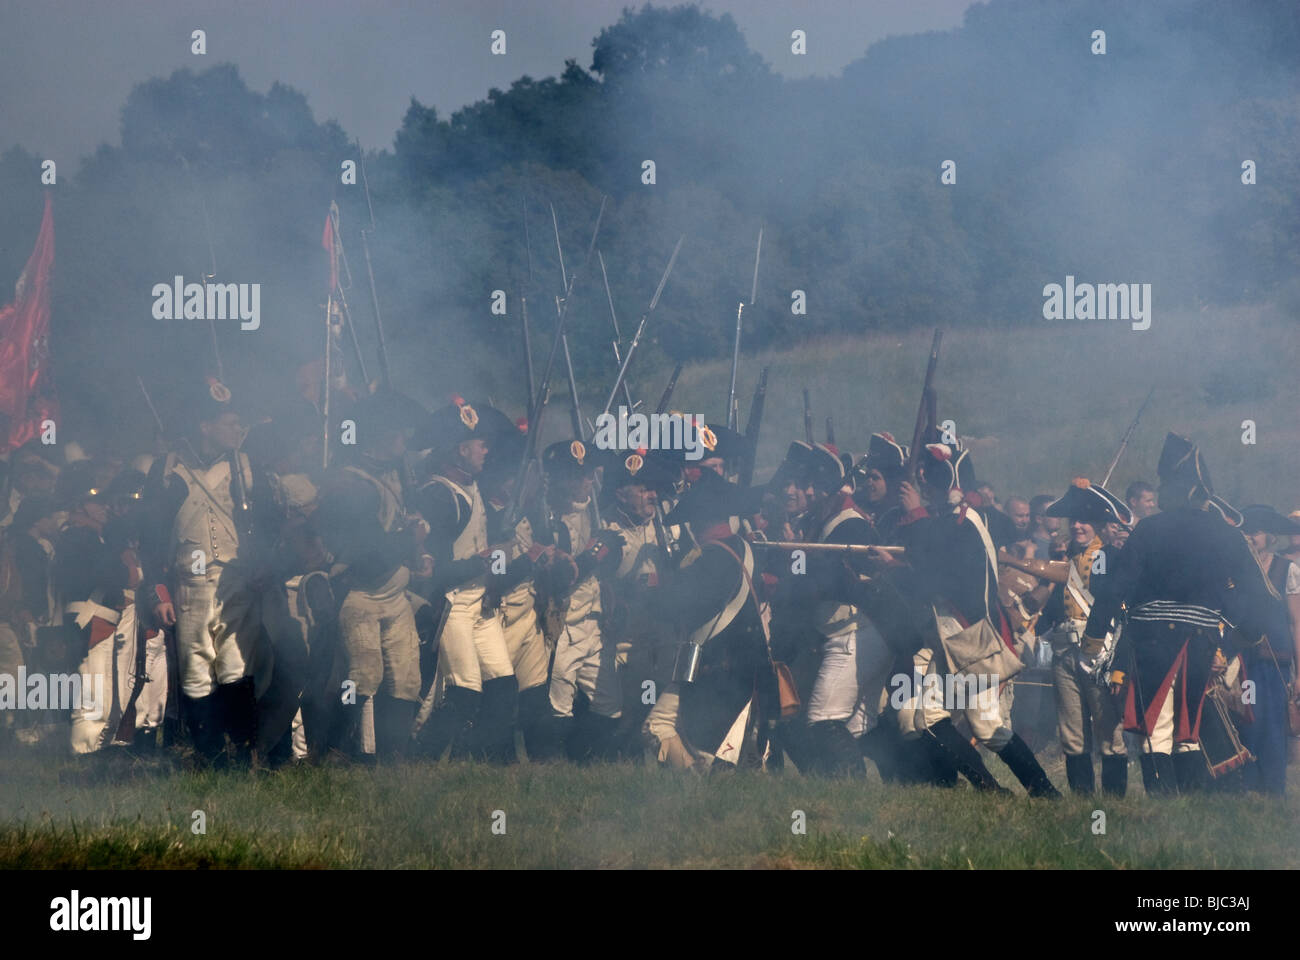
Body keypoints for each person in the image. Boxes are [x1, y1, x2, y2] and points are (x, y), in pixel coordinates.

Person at [1085, 434, 1279, 795]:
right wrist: (1239, 639)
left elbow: (1115, 589)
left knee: (1156, 728)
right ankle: (1188, 806)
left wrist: (1094, 636)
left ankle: (1165, 809)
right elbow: (1262, 598)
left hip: (1151, 640)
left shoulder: (1149, 529)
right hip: (1202, 641)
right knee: (1186, 731)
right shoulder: (1227, 535)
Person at [894, 441, 1060, 797]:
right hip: (957, 634)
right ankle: (1004, 789)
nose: (924, 484)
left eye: (929, 479)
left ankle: (1030, 790)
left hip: (968, 634)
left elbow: (935, 575)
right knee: (949, 720)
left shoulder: (961, 522)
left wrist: (915, 514)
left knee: (972, 724)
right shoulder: (954, 520)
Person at [141, 379, 274, 766]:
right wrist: (158, 591)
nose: (237, 429)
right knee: (197, 669)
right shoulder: (168, 470)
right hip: (189, 584)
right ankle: (209, 754)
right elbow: (150, 536)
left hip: (236, 580)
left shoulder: (246, 467)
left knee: (237, 664)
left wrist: (263, 564)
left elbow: (267, 523)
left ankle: (243, 752)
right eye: (230, 423)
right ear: (205, 426)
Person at [644, 468, 776, 769]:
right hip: (746, 667)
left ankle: (697, 780)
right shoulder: (745, 548)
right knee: (733, 751)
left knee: (659, 729)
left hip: (718, 669)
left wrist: (653, 590)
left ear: (699, 519)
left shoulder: (712, 558)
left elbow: (685, 605)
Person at [412, 397, 516, 762]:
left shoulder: (472, 488)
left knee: (503, 683)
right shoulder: (438, 494)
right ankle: (422, 759)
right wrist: (482, 562)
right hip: (451, 603)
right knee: (464, 691)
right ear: (460, 449)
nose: (486, 450)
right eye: (479, 444)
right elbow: (434, 570)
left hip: (480, 601)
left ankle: (482, 759)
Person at [1035, 479, 1133, 795]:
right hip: (1064, 648)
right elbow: (1053, 609)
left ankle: (1114, 799)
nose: (1077, 526)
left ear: (1099, 524)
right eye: (1074, 520)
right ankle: (1082, 798)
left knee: (1108, 729)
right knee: (1072, 732)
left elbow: (1110, 598)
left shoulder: (1110, 556)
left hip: (1098, 648)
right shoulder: (1065, 559)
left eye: (1085, 520)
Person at [533, 440, 624, 762]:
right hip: (563, 624)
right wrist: (593, 555)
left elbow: (610, 564)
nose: (587, 480)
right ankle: (550, 762)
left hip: (593, 624)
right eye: (577, 475)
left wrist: (608, 550)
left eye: (587, 474)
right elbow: (559, 576)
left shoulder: (595, 513)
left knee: (609, 703)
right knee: (558, 703)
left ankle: (589, 759)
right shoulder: (545, 519)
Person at [1236, 504, 1300, 794]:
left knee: (1274, 721)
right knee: (1247, 717)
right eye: (1247, 531)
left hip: (1276, 661)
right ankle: (1247, 784)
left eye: (1257, 532)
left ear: (1269, 536)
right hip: (1244, 661)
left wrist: (1299, 673)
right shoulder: (1237, 570)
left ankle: (1273, 788)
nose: (1251, 537)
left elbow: (1296, 622)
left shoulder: (1288, 569)